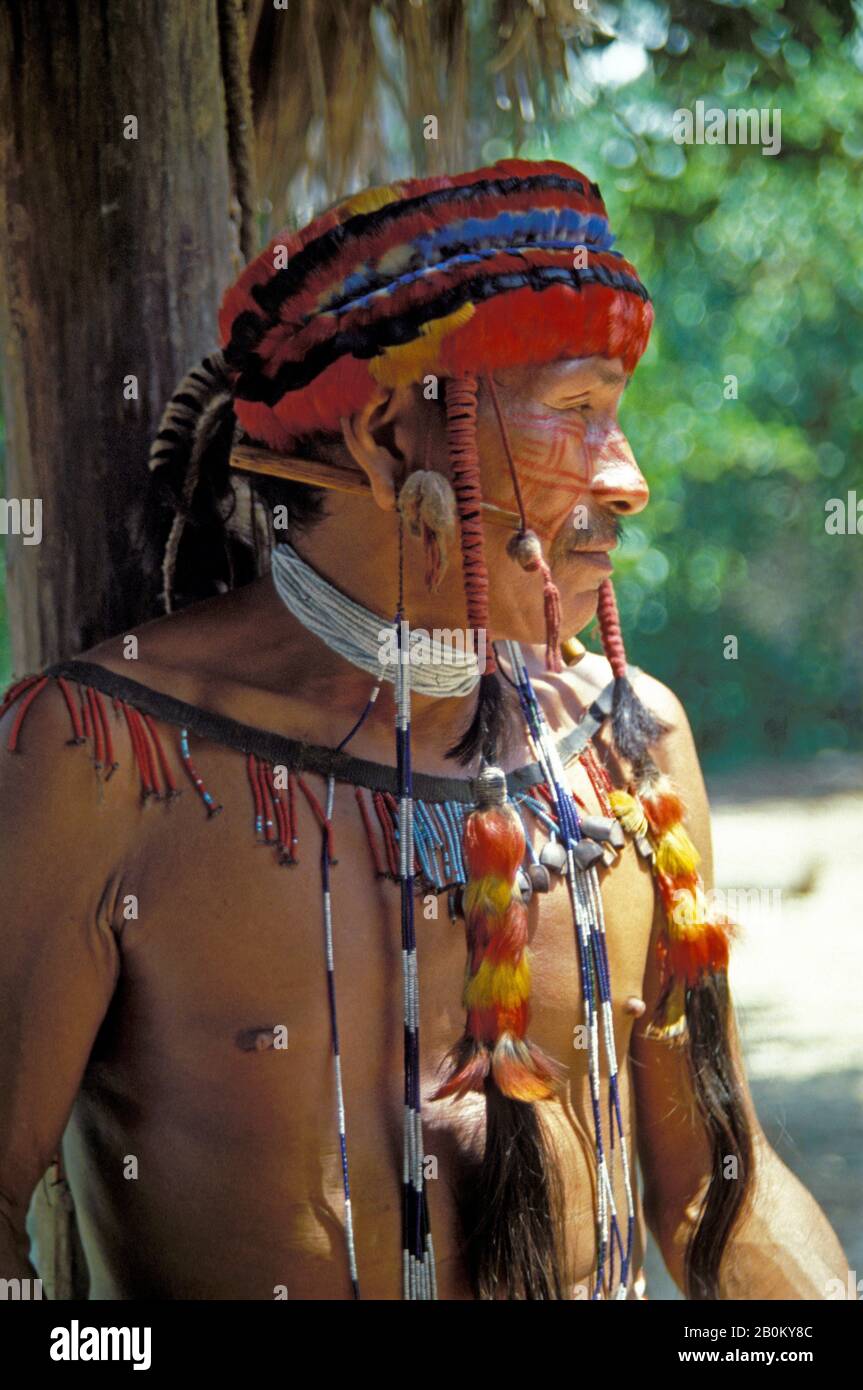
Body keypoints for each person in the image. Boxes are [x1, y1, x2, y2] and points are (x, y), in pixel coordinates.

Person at [0, 159, 847, 1301]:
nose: (629, 477)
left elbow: (714, 1196)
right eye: (578, 411)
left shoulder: (626, 744)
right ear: (393, 435)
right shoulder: (100, 760)